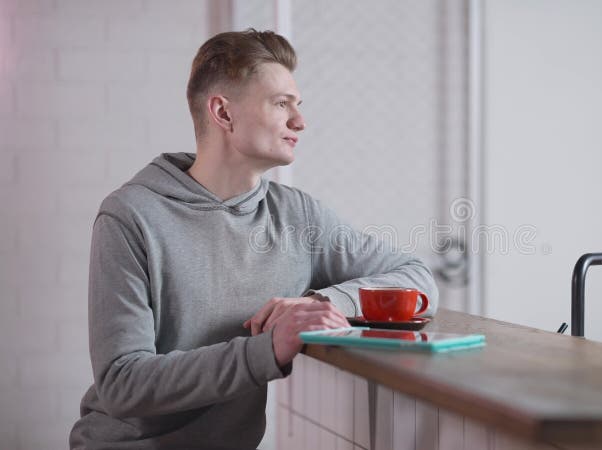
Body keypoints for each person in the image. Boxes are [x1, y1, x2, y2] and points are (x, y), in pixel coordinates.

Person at [69, 29, 438, 450]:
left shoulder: (298, 215)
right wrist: (265, 351)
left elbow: (417, 279)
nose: (300, 122)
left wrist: (321, 303)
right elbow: (122, 382)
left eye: (297, 106)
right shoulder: (131, 216)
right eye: (282, 104)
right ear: (223, 114)